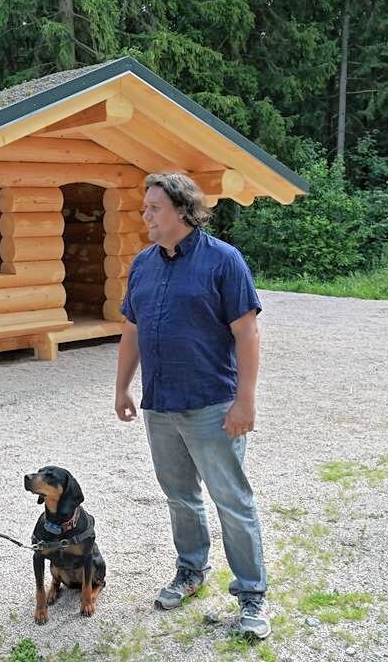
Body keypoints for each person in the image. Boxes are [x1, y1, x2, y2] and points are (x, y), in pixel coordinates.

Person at [114, 173, 271, 639]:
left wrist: (245, 400)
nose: (145, 215)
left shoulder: (224, 261)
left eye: (154, 209)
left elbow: (247, 333)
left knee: (232, 500)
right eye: (145, 207)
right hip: (160, 404)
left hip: (212, 405)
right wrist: (122, 387)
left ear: (183, 211)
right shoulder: (142, 264)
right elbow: (132, 330)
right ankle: (190, 572)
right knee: (180, 496)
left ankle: (252, 596)